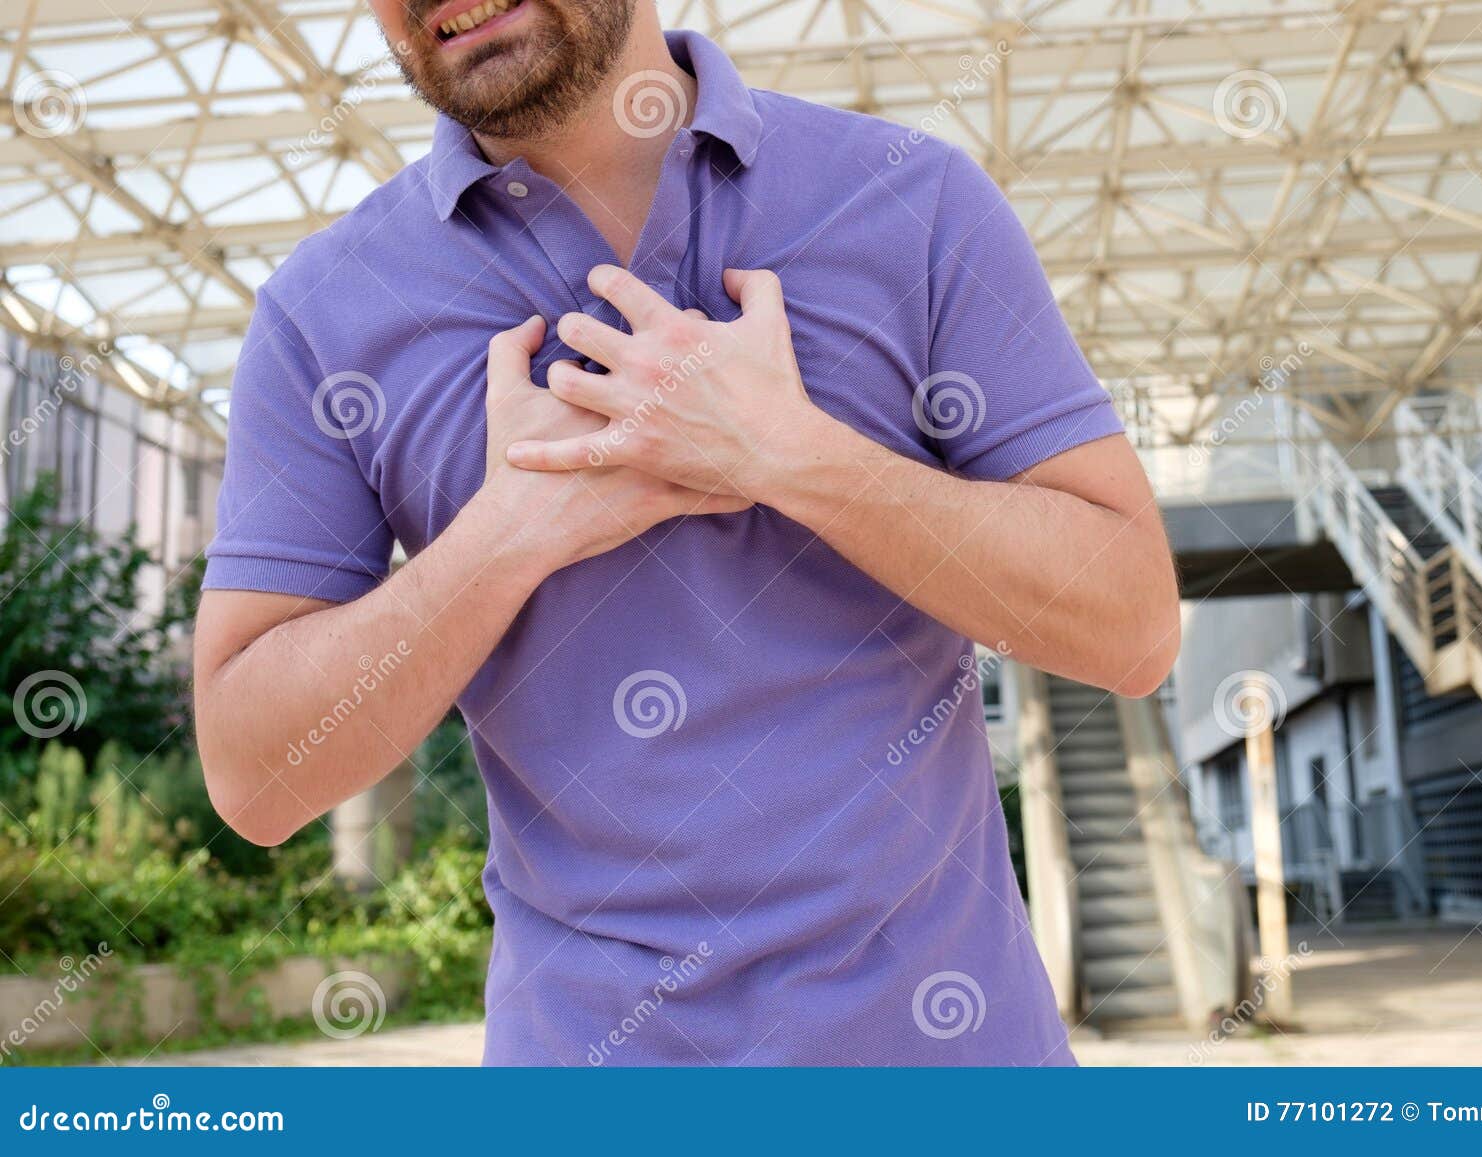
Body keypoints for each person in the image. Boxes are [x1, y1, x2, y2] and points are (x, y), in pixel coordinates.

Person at [193, 0, 1180, 1065]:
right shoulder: (323, 311)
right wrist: (507, 534)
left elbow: (1130, 628)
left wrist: (792, 455)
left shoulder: (910, 197)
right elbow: (255, 776)